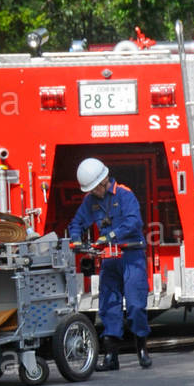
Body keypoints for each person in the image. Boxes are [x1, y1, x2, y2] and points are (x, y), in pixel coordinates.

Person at [68, 158, 152, 371]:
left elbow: (134, 222)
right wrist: (76, 240)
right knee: (109, 307)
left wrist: (111, 235)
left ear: (104, 180)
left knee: (135, 305)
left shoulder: (125, 195)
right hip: (109, 260)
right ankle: (111, 356)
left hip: (131, 255)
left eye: (95, 188)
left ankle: (142, 348)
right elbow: (76, 222)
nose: (93, 192)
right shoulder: (90, 201)